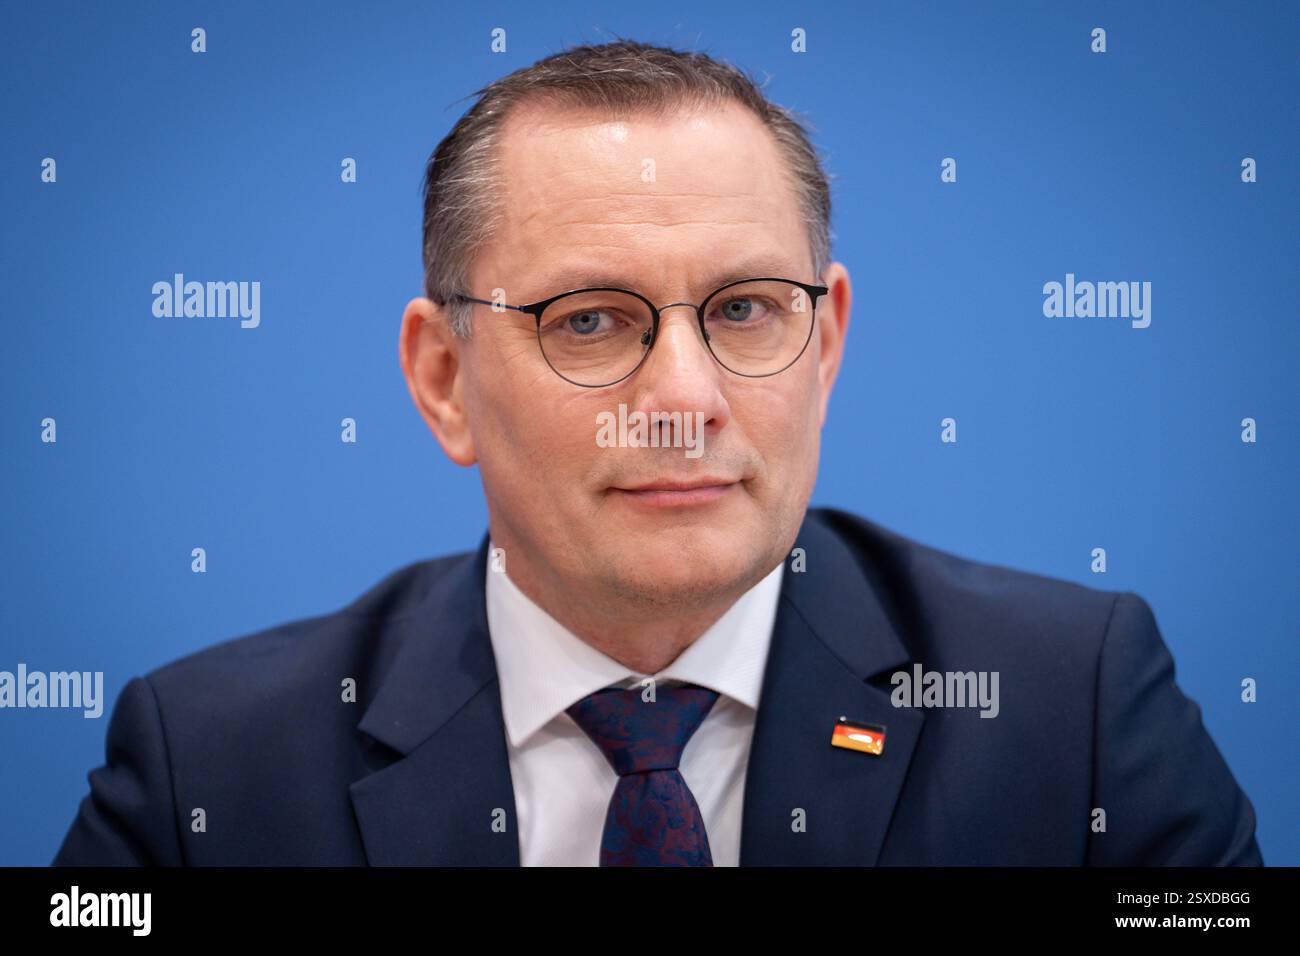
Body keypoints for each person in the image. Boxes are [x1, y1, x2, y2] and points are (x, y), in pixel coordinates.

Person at [53, 39, 1261, 866]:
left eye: (743, 310)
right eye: (589, 320)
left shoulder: (1076, 707)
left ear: (825, 342)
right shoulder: (205, 765)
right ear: (442, 379)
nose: (683, 400)